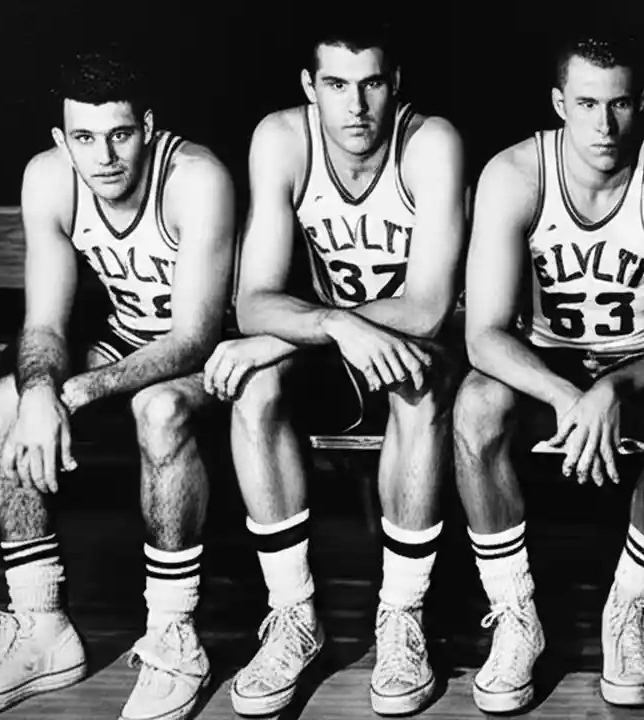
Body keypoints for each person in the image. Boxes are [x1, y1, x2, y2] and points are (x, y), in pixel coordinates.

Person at [0, 47, 236, 719]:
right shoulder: (49, 177)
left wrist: (73, 393)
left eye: (121, 134)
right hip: (124, 342)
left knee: (159, 412)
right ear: (61, 138)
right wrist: (40, 393)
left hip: (213, 356)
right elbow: (44, 321)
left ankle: (174, 635)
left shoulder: (195, 178)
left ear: (150, 128)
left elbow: (194, 336)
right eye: (83, 136)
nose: (103, 155)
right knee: (3, 402)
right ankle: (41, 625)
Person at [199, 21, 467, 718]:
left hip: (412, 348)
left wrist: (294, 334)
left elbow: (430, 307)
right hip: (332, 346)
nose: (356, 107)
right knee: (253, 387)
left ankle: (401, 619)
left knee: (417, 382)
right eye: (337, 86)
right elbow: (254, 298)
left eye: (372, 83)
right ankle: (294, 617)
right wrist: (333, 325)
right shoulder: (282, 139)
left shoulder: (430, 142)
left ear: (396, 84)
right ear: (308, 88)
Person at [453, 34, 644, 712]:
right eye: (586, 104)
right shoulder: (515, 174)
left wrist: (615, 388)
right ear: (558, 103)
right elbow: (483, 334)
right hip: (548, 366)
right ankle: (516, 618)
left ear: (643, 102)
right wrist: (570, 395)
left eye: (621, 103)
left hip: (643, 367)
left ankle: (628, 610)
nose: (604, 126)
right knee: (476, 406)